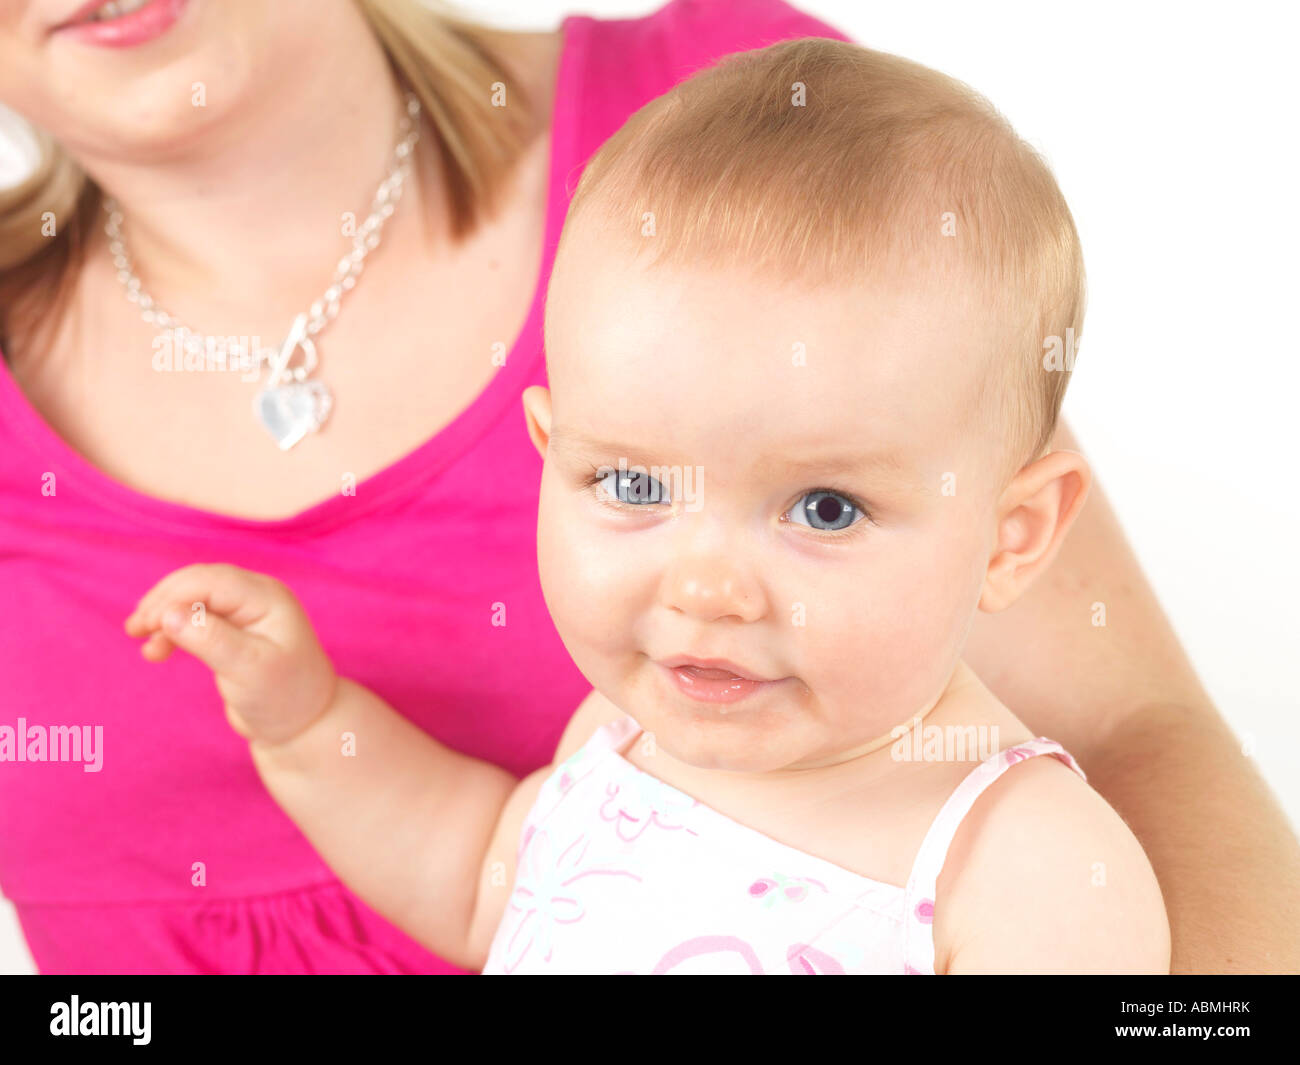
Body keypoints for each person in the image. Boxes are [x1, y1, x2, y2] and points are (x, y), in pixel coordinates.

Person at [0, 0, 1294, 975]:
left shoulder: (1021, 863)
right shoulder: (617, 747)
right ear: (549, 448)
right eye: (628, 483)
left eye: (826, 508)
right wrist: (304, 721)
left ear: (1013, 535)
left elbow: (1150, 741)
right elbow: (470, 873)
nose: (709, 584)